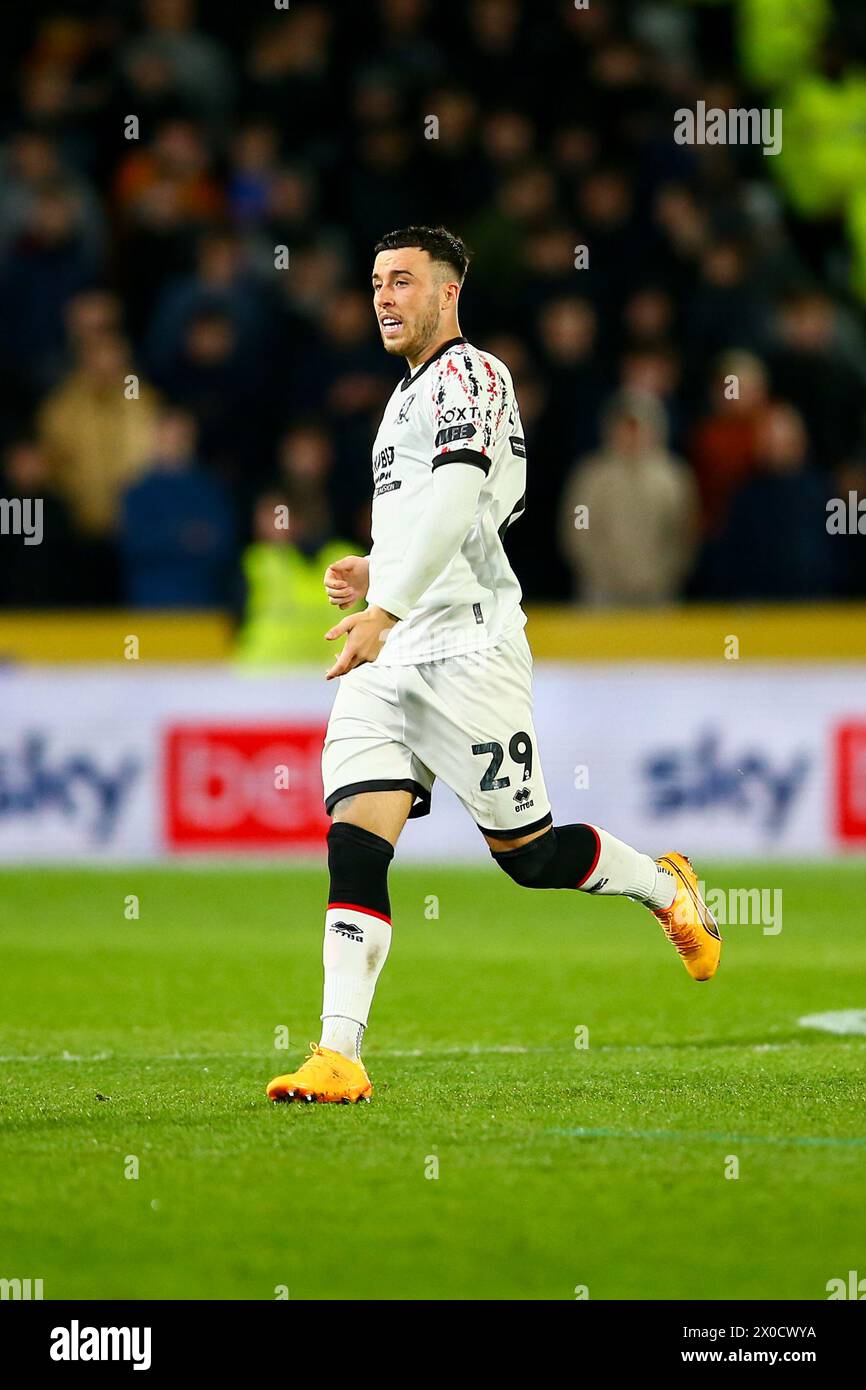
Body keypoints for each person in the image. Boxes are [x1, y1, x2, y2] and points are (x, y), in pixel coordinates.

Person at [267, 227, 721, 1106]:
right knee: (355, 843)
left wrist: (385, 605)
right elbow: (427, 521)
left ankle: (666, 888)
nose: (385, 298)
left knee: (530, 855)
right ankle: (338, 1055)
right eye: (375, 283)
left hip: (468, 651)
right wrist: (375, 567)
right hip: (391, 653)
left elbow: (464, 497)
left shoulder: (473, 376)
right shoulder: (400, 403)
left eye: (404, 281)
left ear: (449, 293)